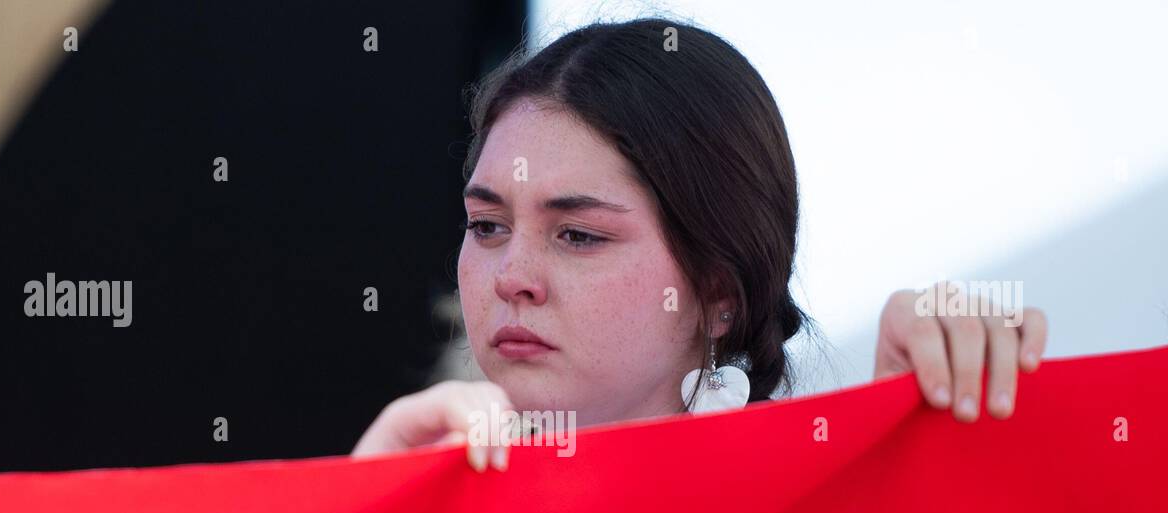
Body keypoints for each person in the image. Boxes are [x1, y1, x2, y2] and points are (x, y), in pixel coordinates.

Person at [353, 18, 1047, 471]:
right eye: (487, 226)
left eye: (579, 235)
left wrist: (932, 449)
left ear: (719, 293)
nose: (512, 276)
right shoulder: (400, 501)